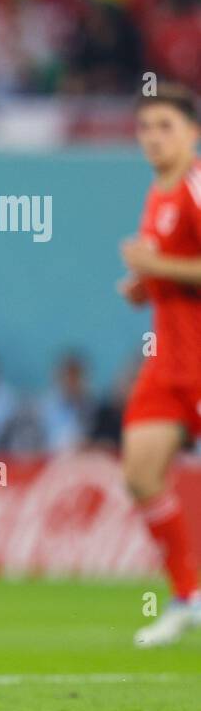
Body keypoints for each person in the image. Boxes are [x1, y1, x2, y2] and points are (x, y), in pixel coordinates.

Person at [117, 84, 201, 647]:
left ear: (192, 133)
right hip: (167, 363)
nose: (154, 136)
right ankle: (187, 595)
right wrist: (143, 284)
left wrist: (156, 266)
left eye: (165, 125)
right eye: (146, 126)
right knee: (140, 474)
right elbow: (173, 271)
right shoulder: (157, 191)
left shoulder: (195, 185)